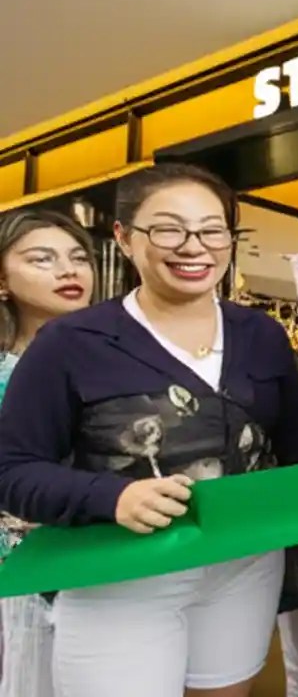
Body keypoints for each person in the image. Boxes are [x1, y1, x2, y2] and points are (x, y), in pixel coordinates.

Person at [0, 163, 298, 697]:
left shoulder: (259, 335)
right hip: (118, 574)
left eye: (212, 229)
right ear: (125, 239)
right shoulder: (72, 342)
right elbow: (12, 469)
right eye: (169, 228)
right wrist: (111, 496)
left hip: (242, 570)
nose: (194, 246)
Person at [0, 209, 95, 697]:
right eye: (43, 259)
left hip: (99, 561)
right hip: (16, 572)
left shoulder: (112, 369)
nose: (68, 270)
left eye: (79, 257)